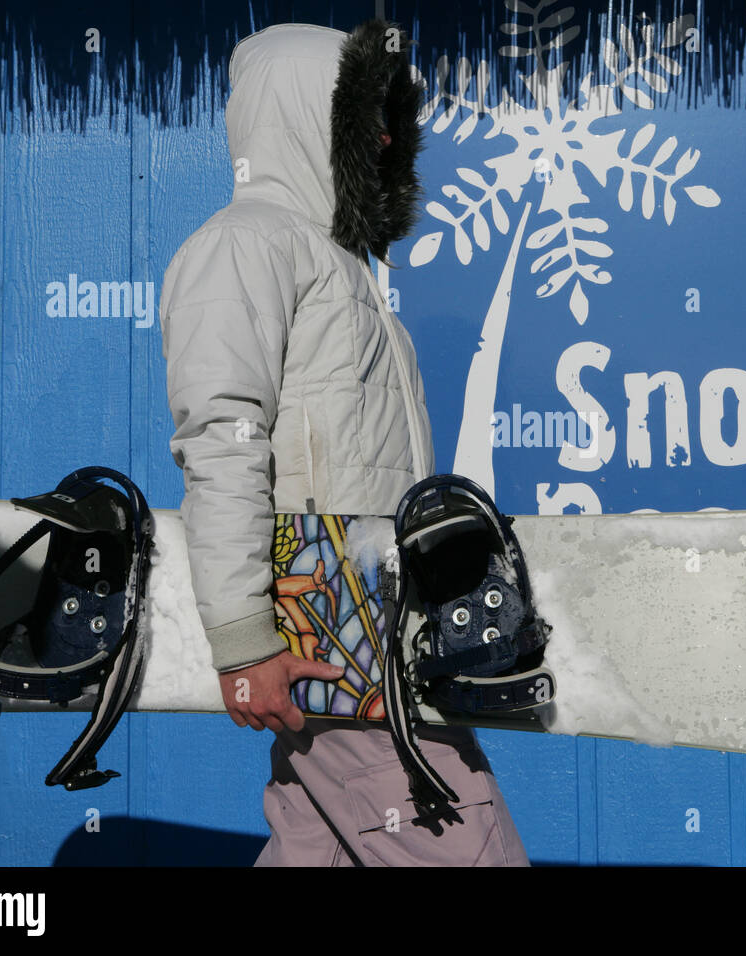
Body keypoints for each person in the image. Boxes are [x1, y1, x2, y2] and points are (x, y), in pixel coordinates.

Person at [160, 19, 529, 866]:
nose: (388, 135)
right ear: (305, 117)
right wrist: (246, 639)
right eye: (368, 113)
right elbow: (222, 442)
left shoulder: (343, 271)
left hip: (374, 635)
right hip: (330, 637)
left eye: (393, 118)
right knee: (469, 849)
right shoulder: (244, 246)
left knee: (316, 848)